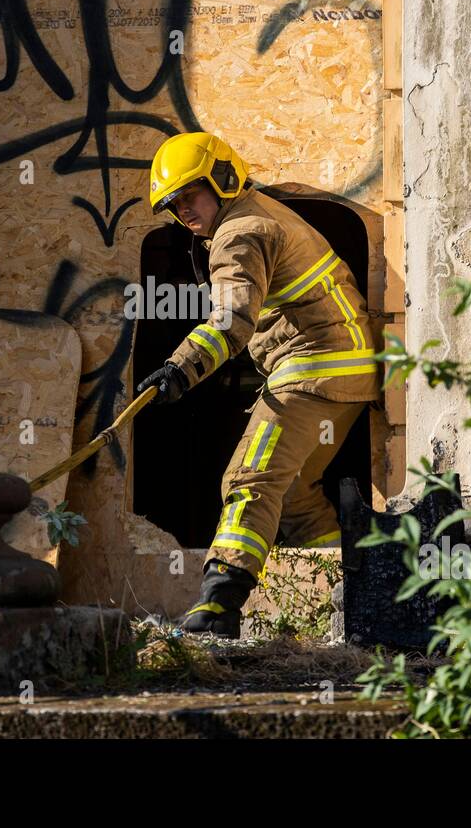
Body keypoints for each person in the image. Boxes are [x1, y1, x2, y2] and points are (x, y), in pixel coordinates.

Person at [137, 131, 381, 638]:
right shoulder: (262, 211)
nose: (184, 211)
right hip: (348, 367)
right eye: (174, 205)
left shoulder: (239, 232)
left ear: (222, 180)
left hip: (315, 367)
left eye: (190, 196)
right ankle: (349, 598)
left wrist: (180, 368)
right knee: (291, 494)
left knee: (249, 479)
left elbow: (230, 322)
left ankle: (217, 607)